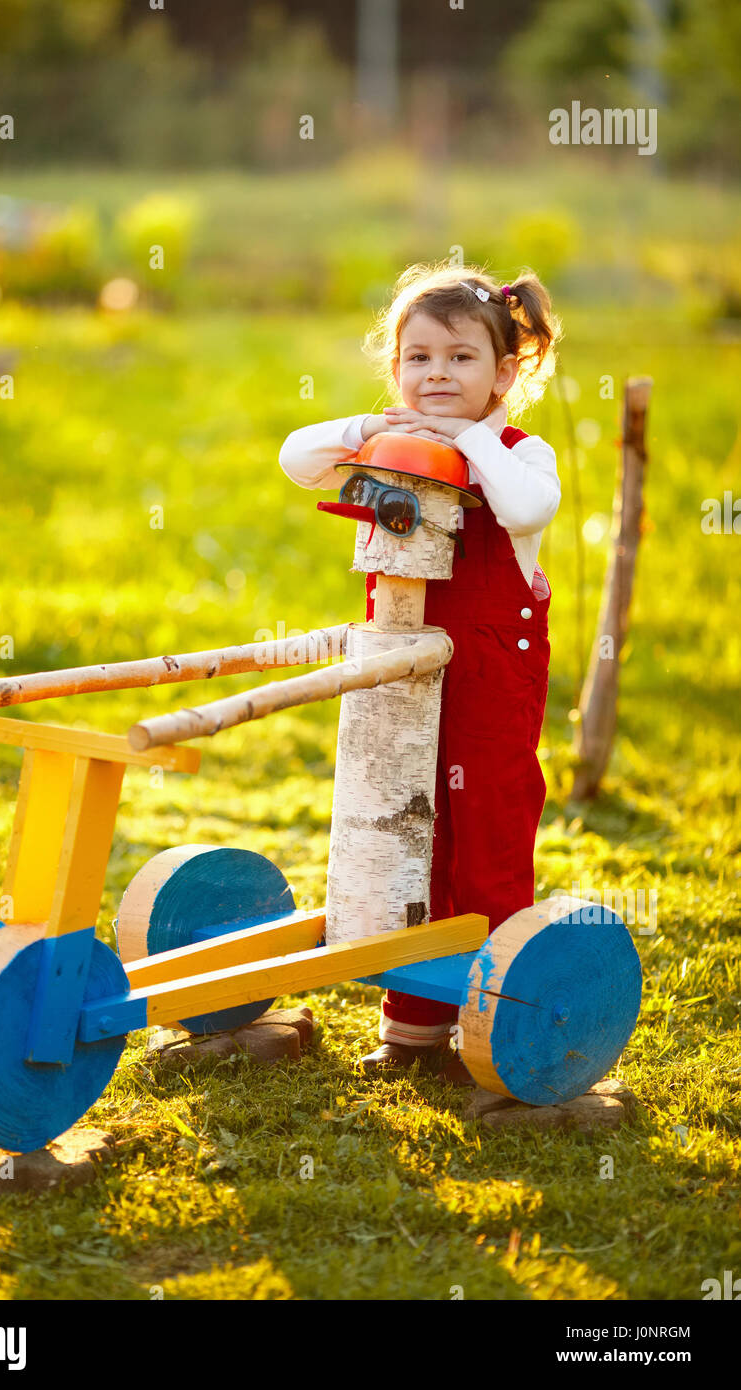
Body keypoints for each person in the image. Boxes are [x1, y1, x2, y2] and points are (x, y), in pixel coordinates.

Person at [278, 261, 561, 1081]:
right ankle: (411, 1024)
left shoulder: (516, 451)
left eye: (462, 359)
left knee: (485, 833)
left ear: (505, 373)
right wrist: (367, 432)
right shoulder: (390, 442)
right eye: (419, 357)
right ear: (396, 369)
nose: (439, 374)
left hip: (486, 679)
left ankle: (497, 1019)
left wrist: (471, 438)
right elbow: (297, 458)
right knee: (405, 825)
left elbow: (526, 509)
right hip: (399, 670)